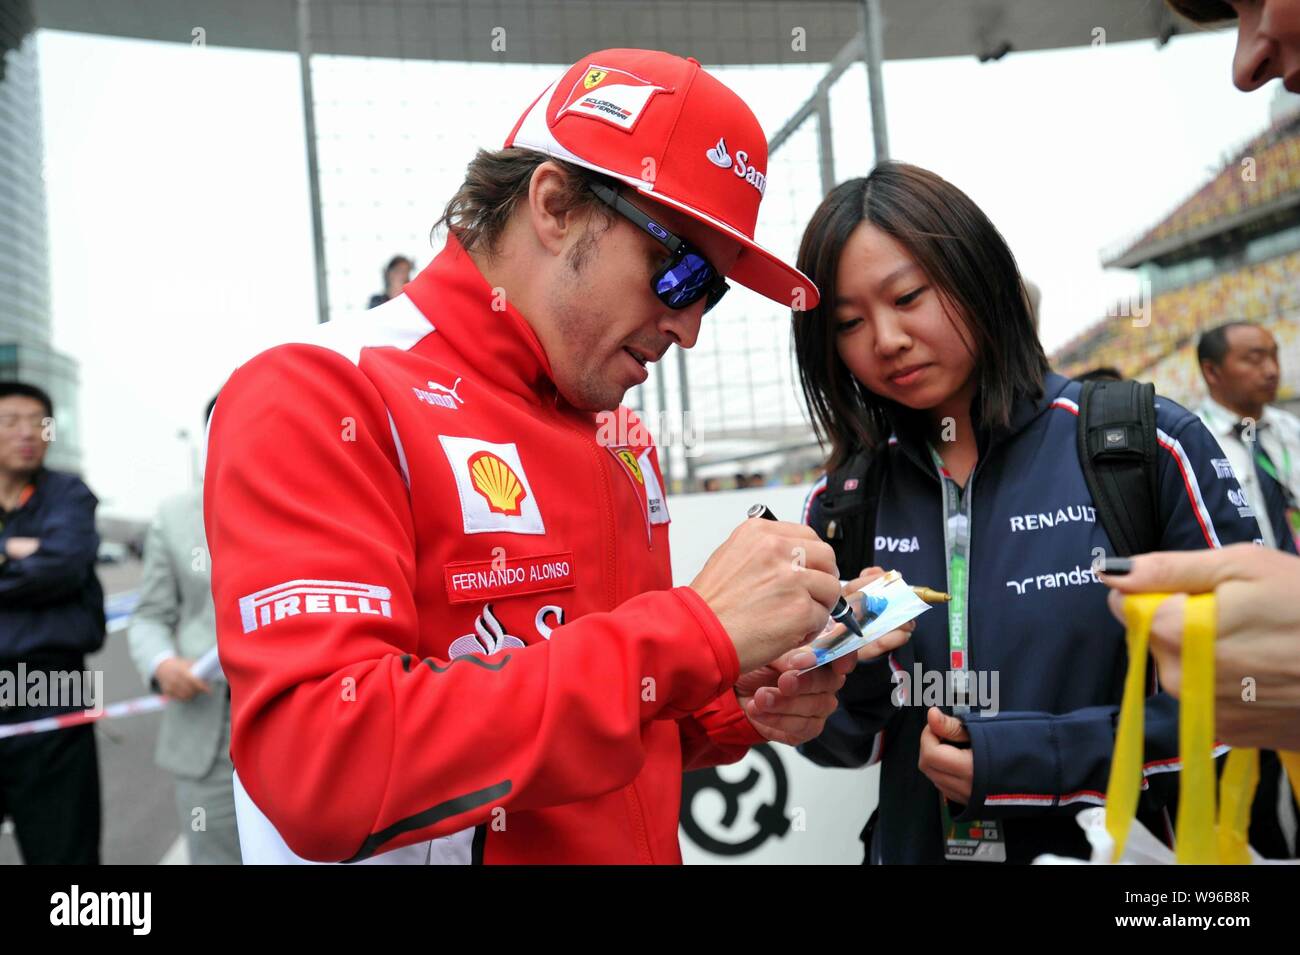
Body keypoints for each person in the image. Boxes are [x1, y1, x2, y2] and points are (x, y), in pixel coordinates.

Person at [205, 48, 874, 865]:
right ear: (555, 205)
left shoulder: (617, 432)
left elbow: (587, 725)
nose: (690, 326)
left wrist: (733, 696)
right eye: (680, 272)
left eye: (716, 290)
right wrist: (692, 633)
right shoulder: (322, 391)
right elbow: (323, 767)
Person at [791, 162, 1261, 864]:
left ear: (978, 274)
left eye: (909, 296)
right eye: (850, 322)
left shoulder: (1145, 447)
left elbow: (1244, 701)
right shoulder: (841, 502)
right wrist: (805, 690)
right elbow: (851, 736)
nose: (885, 339)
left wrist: (1027, 758)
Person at [127, 395, 240, 864]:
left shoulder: (319, 506)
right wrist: (161, 662)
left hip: (306, 728)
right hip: (207, 731)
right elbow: (151, 614)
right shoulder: (174, 516)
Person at [0, 382, 105, 863]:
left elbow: (65, 564)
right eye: (11, 421)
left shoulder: (68, 494)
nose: (27, 433)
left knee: (65, 856)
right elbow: (50, 569)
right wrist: (17, 554)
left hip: (51, 690)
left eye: (38, 423)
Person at [1194, 321, 1300, 553]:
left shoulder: (1290, 428)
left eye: (1274, 356)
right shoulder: (1194, 443)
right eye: (1255, 359)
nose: (1272, 370)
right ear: (1211, 371)